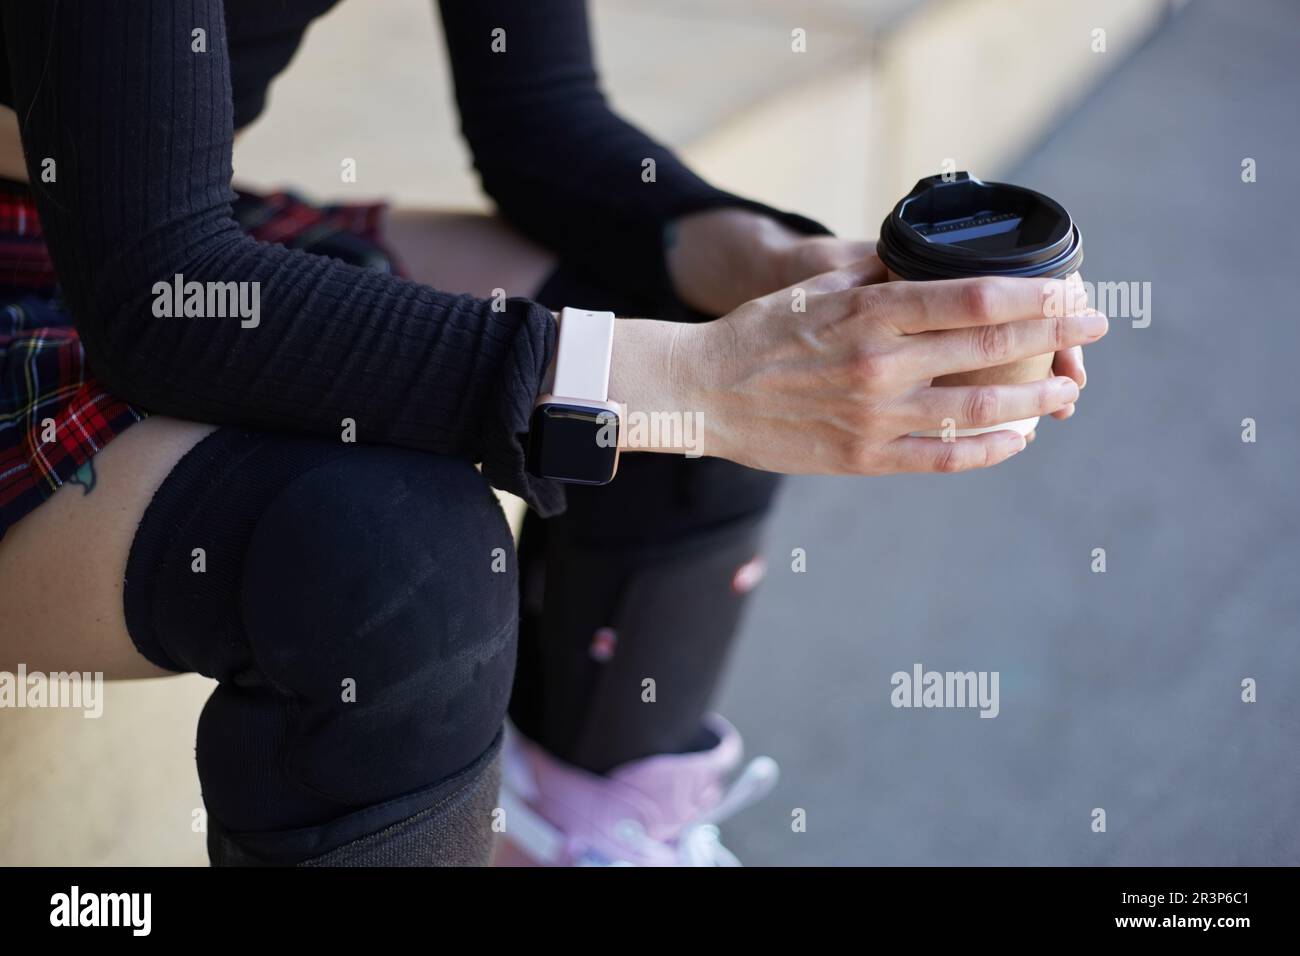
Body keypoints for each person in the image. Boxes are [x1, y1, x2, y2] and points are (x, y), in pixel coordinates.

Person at [0, 0, 1104, 866]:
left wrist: (763, 262)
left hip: (132, 206)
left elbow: (538, 118)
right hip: (138, 248)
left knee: (680, 329)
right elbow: (161, 293)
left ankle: (575, 835)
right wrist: (705, 383)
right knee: (389, 562)